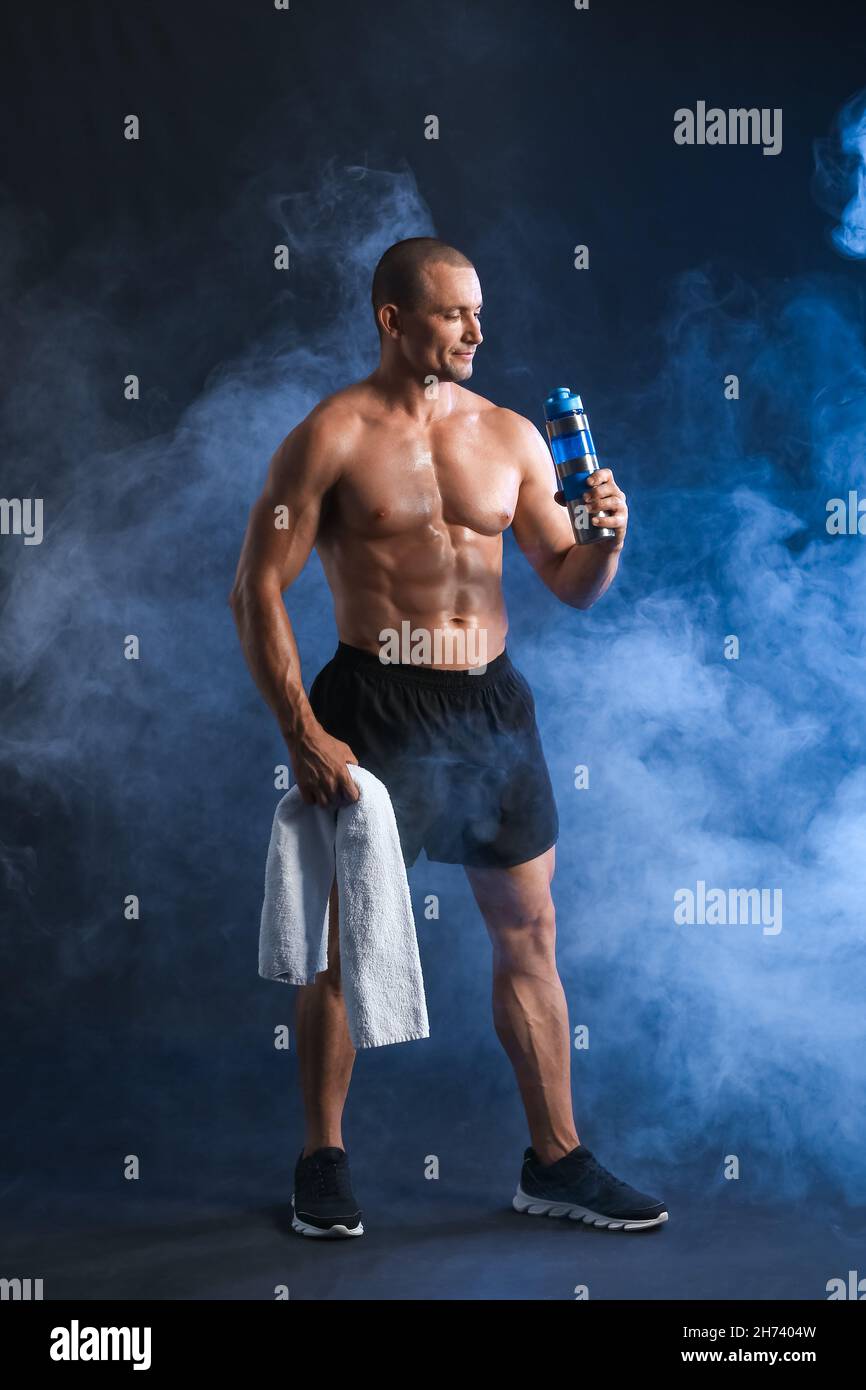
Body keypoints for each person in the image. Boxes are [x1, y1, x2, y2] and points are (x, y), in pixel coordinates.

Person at [229, 236, 667, 1238]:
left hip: (491, 706)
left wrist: (605, 538)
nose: (477, 329)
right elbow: (254, 587)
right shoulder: (328, 436)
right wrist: (299, 727)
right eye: (453, 312)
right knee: (347, 945)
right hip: (374, 703)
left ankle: (554, 1160)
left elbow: (569, 584)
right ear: (392, 318)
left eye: (478, 310)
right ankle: (321, 1158)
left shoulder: (511, 437)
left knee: (530, 930)